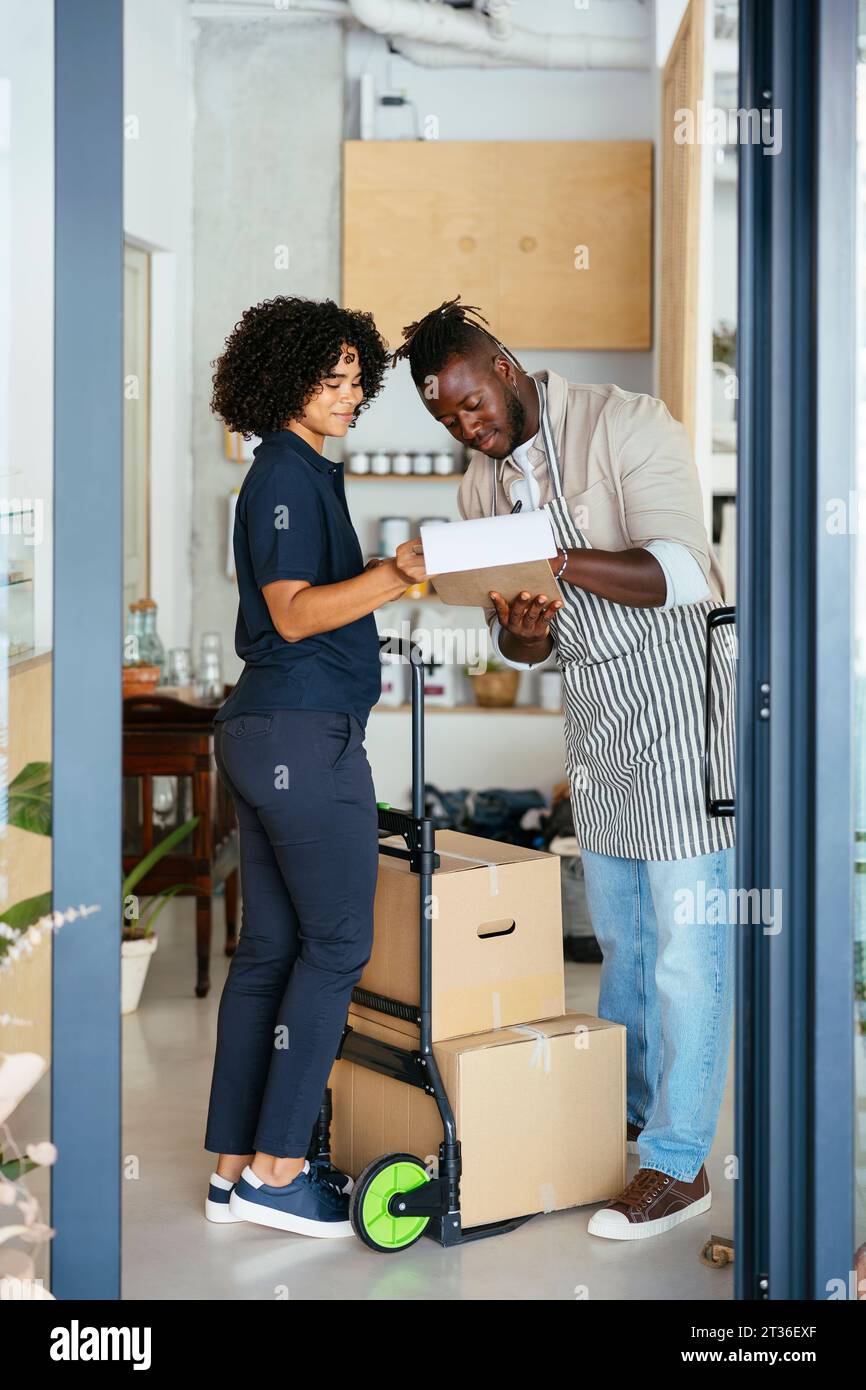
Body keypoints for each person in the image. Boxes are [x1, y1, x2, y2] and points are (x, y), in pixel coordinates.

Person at [394, 297, 737, 1242]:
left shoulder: (628, 422)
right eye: (449, 421)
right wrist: (518, 629)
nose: (471, 429)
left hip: (679, 699)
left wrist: (555, 555)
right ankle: (617, 1117)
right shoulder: (480, 488)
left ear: (503, 364)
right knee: (621, 941)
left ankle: (678, 1166)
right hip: (594, 710)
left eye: (472, 404)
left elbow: (681, 571)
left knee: (686, 950)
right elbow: (521, 640)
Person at [202, 295, 426, 1239]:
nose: (346, 396)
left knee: (268, 953)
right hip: (303, 736)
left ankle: (230, 1170)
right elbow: (293, 611)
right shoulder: (288, 479)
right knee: (337, 947)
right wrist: (401, 570)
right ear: (281, 379)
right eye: (326, 380)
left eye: (354, 382)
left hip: (266, 731)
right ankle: (280, 1172)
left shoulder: (296, 472)